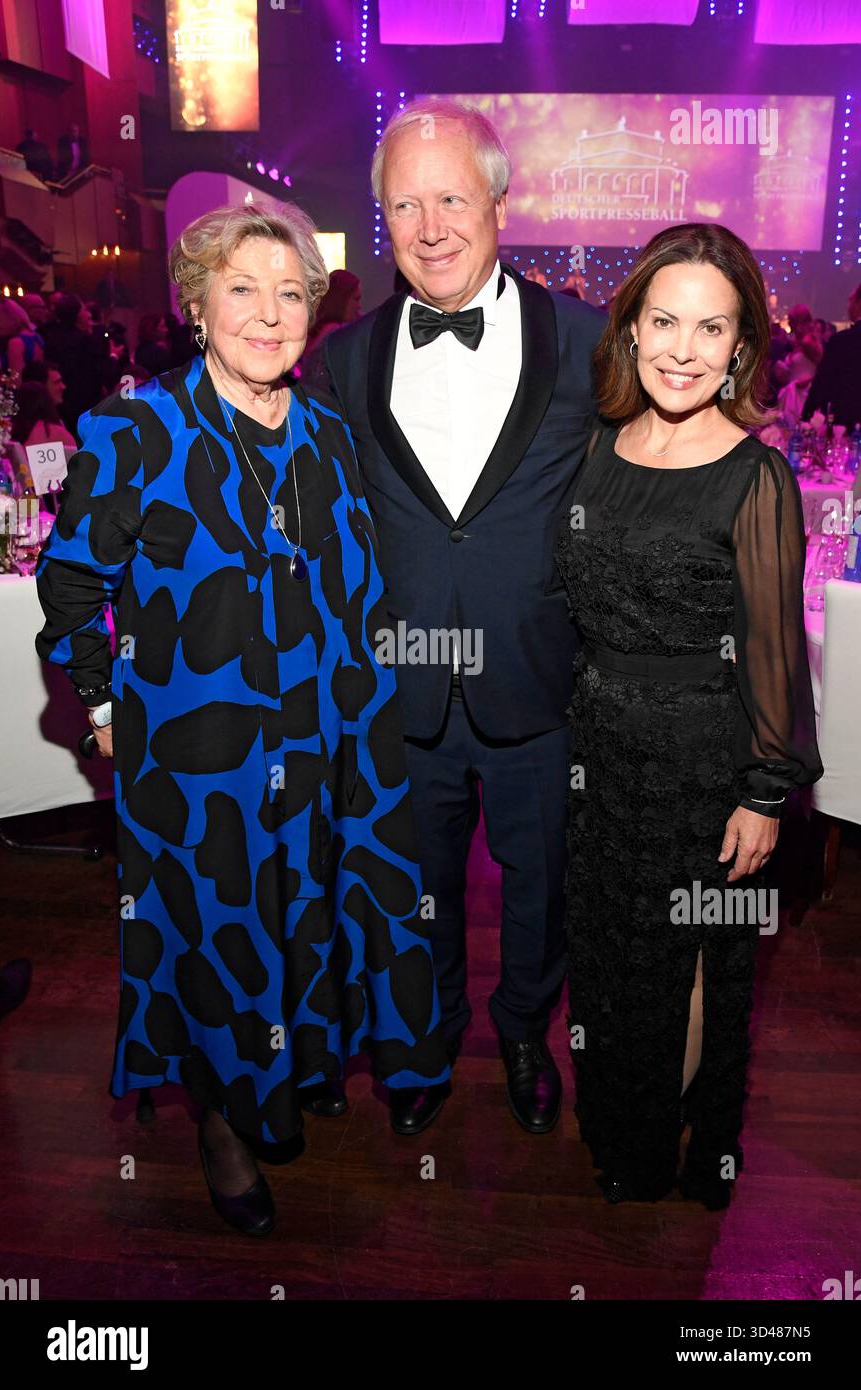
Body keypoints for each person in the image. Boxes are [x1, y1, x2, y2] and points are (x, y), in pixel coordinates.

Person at [35, 201, 450, 1237]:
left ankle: (295, 1069)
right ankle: (222, 1126)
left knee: (299, 917)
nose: (269, 315)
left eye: (291, 293)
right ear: (195, 306)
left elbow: (358, 594)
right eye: (242, 290)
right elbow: (72, 582)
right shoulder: (136, 433)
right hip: (199, 757)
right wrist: (97, 711)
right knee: (219, 939)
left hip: (321, 744)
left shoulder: (328, 437)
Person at [324, 97, 605, 1137]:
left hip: (540, 677)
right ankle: (420, 1041)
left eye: (451, 197)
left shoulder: (584, 341)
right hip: (400, 687)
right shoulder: (342, 358)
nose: (431, 225)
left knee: (543, 889)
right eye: (405, 204)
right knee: (417, 889)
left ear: (498, 199)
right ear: (382, 219)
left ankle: (528, 1031)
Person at [554, 223, 823, 1208]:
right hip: (601, 748)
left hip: (704, 758)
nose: (682, 347)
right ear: (629, 330)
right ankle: (623, 1121)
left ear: (742, 346)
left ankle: (671, 1134)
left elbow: (771, 649)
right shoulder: (595, 446)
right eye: (663, 320)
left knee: (694, 953)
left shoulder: (756, 476)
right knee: (613, 952)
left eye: (711, 328)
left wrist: (762, 791)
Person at [41, 293, 105, 435]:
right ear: (77, 315)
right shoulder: (85, 340)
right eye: (83, 310)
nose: (87, 314)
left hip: (61, 404)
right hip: (84, 404)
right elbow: (96, 375)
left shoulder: (51, 339)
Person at [803, 284, 861, 430]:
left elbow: (823, 380)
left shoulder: (843, 340)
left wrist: (807, 416)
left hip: (843, 420)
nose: (849, 305)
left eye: (851, 300)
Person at [299, 269, 362, 389]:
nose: (359, 306)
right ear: (342, 299)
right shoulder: (335, 333)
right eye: (356, 299)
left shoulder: (315, 329)